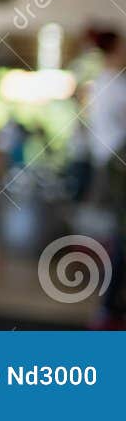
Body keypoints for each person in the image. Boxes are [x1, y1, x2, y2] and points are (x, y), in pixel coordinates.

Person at [81, 27, 126, 328]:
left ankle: (110, 304)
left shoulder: (100, 82)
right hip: (118, 161)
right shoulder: (114, 84)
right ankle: (110, 304)